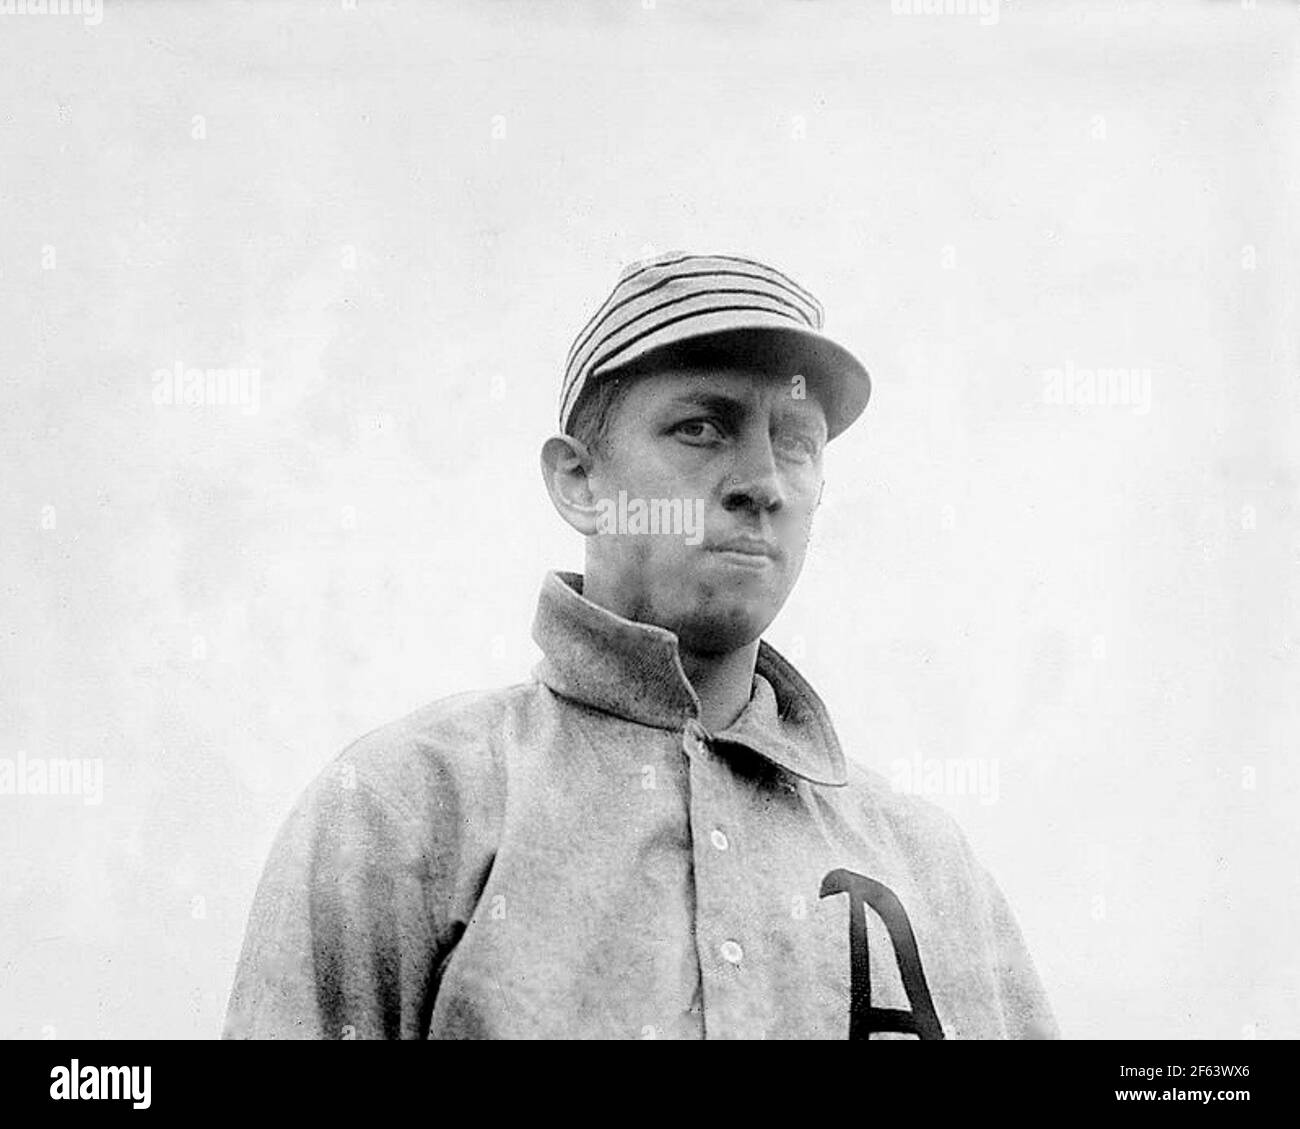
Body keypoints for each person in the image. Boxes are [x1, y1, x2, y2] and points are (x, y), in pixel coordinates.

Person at [223, 251, 1058, 1040]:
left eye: (796, 441)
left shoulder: (930, 868)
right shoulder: (408, 804)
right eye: (702, 428)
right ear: (579, 481)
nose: (762, 481)